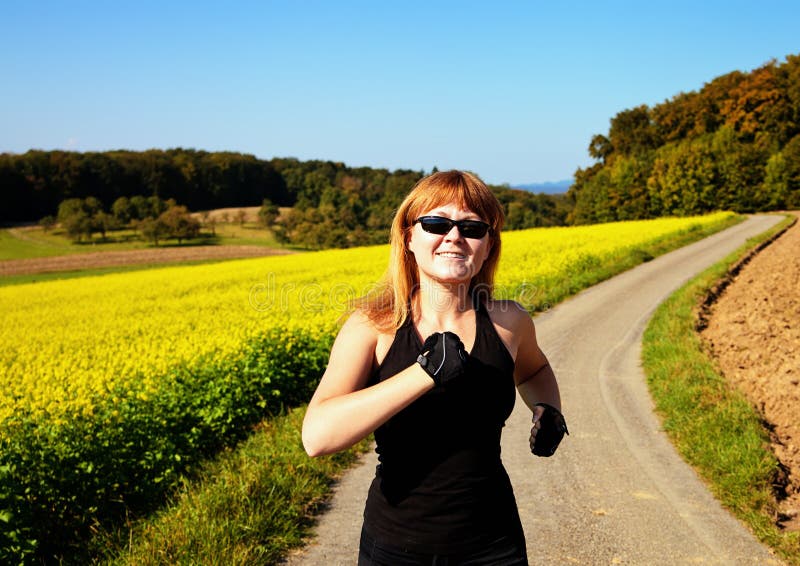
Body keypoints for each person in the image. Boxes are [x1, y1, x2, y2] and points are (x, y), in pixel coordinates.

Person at [302, 170, 566, 565]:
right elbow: (318, 438)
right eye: (436, 223)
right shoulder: (374, 327)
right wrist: (423, 373)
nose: (455, 237)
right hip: (395, 547)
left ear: (488, 245)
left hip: (495, 545)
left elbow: (534, 371)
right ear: (409, 237)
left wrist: (548, 408)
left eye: (473, 227)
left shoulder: (509, 322)